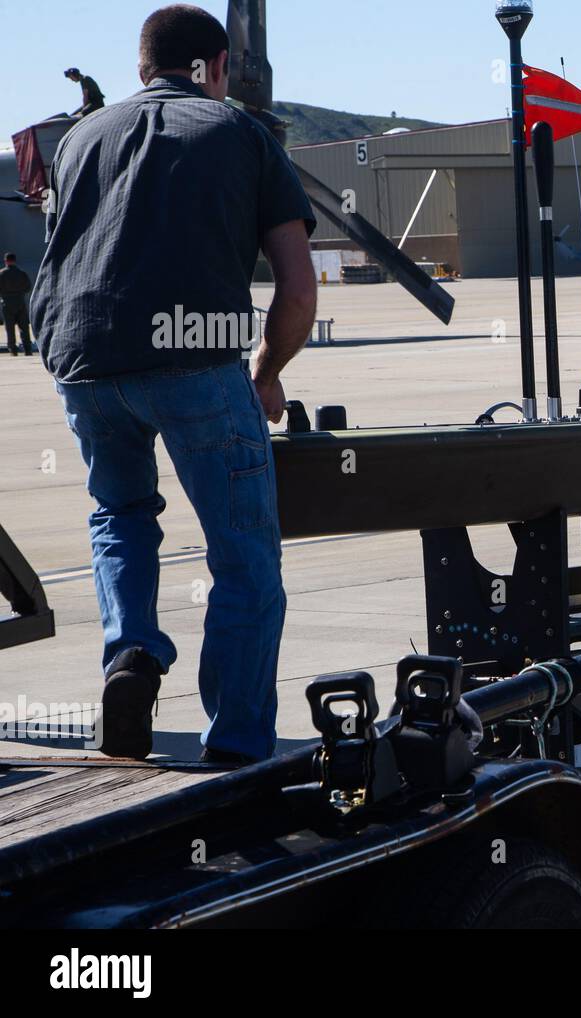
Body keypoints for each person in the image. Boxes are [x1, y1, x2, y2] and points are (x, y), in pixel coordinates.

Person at [32, 4, 318, 764]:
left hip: (85, 362)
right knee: (243, 557)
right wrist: (266, 375)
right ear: (216, 67)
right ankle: (237, 745)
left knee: (120, 513)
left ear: (141, 67)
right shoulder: (241, 133)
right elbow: (298, 292)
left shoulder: (80, 138)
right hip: (196, 362)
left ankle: (130, 655)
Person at [0, 253, 34, 356]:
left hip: (7, 303)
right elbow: (28, 287)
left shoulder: (1, 274)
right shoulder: (21, 273)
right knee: (24, 327)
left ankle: (13, 350)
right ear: (14, 260)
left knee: (9, 328)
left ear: (6, 261)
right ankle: (28, 350)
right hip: (20, 302)